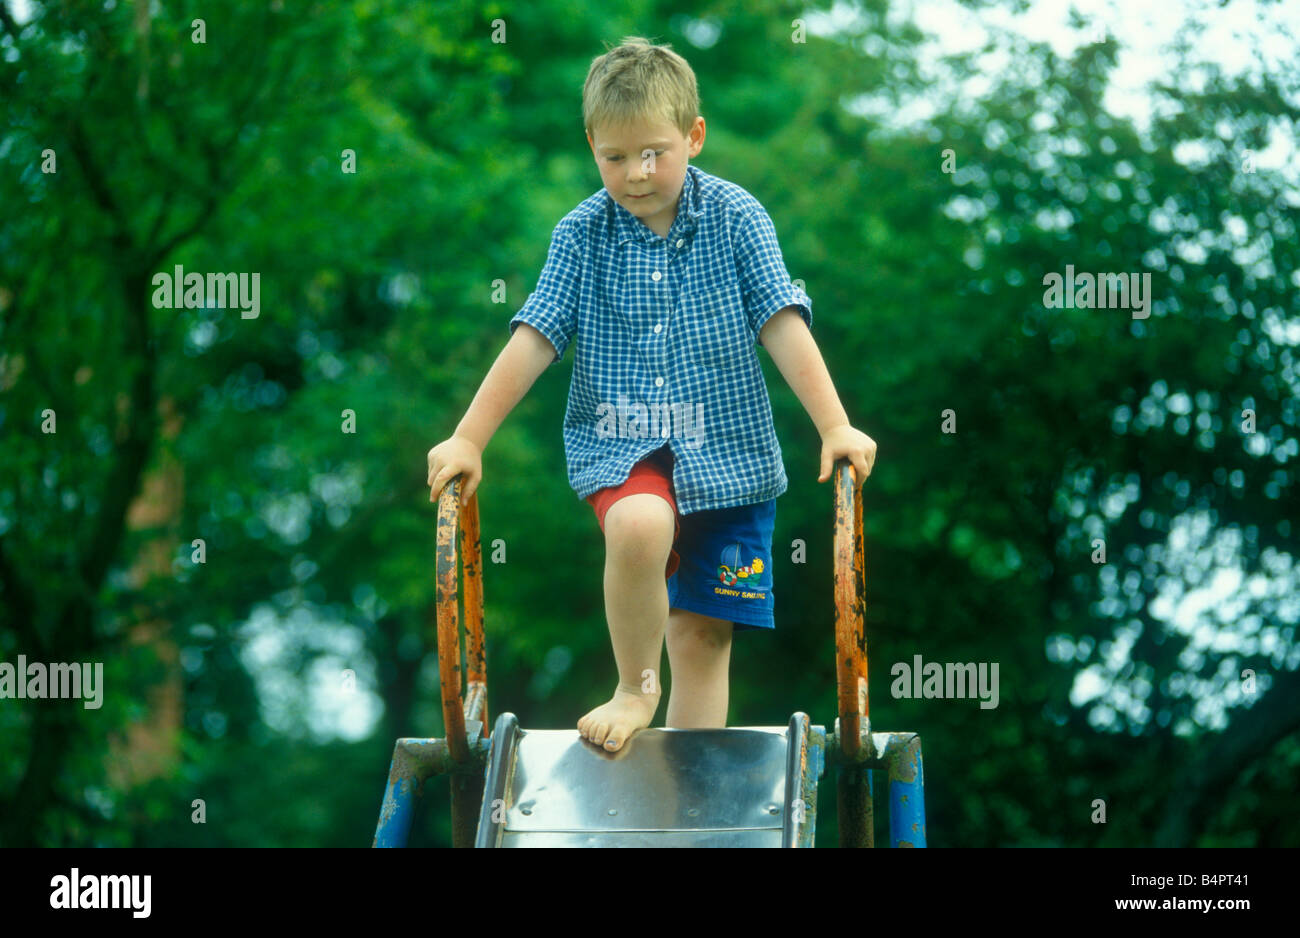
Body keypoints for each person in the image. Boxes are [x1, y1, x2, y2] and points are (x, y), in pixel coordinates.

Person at [427, 36, 876, 752]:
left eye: (654, 153)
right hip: (623, 440)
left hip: (730, 458)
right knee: (640, 525)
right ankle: (635, 687)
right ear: (590, 146)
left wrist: (835, 426)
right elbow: (537, 333)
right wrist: (468, 437)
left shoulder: (737, 218)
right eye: (614, 156)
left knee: (702, 635)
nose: (636, 173)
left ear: (694, 137)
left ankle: (690, 786)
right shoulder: (581, 235)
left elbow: (780, 322)